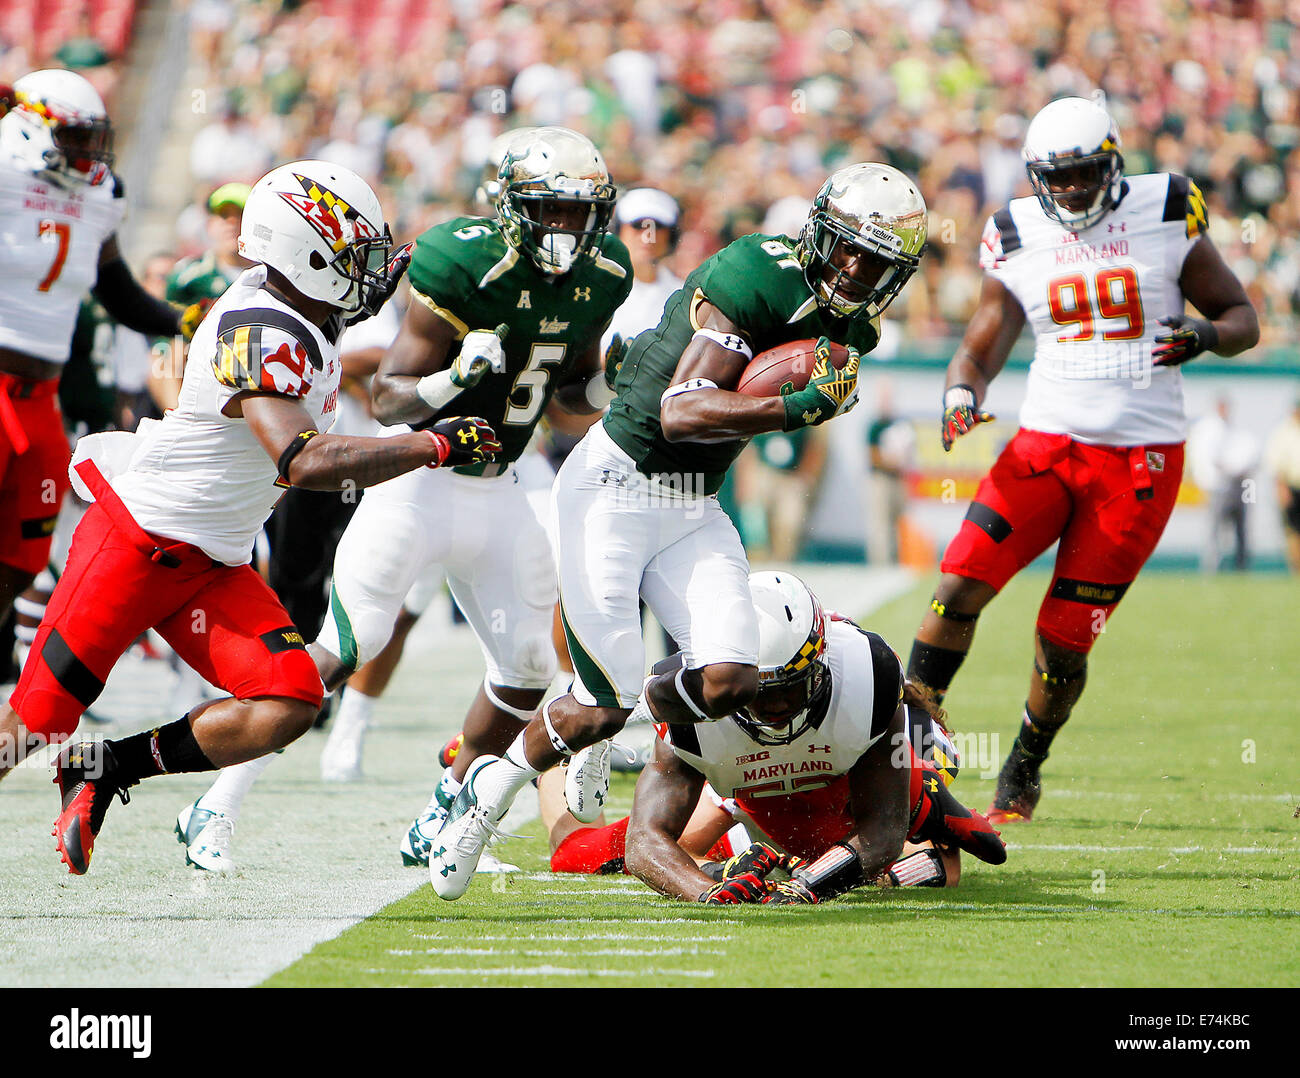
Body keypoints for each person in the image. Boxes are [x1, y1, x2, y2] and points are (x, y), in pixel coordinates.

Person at [428, 161, 929, 900]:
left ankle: (604, 710)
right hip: (614, 486)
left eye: (877, 260)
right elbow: (682, 412)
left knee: (732, 677)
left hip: (696, 503)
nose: (856, 269)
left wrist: (797, 401)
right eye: (849, 247)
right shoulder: (755, 273)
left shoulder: (856, 327)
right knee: (602, 704)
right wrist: (792, 408)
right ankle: (485, 797)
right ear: (820, 231)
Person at [0, 159, 499, 874]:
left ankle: (106, 767)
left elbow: (345, 315)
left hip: (214, 566)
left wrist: (410, 264)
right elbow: (304, 460)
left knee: (289, 700)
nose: (369, 273)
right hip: (135, 546)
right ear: (309, 255)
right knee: (33, 725)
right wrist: (429, 444)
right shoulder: (257, 326)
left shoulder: (303, 302)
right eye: (355, 257)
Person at [179, 127, 633, 873]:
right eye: (551, 211)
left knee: (524, 667)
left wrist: (613, 379)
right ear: (513, 207)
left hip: (500, 487)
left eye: (581, 214)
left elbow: (570, 394)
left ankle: (444, 810)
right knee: (338, 650)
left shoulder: (603, 273)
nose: (569, 231)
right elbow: (389, 398)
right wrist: (456, 380)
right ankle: (215, 802)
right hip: (416, 483)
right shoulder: (461, 259)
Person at [904, 96, 1259, 825]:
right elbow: (981, 342)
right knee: (958, 582)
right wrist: (960, 395)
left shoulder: (1165, 206)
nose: (1068, 191)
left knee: (1062, 643)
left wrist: (1201, 336)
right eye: (1054, 177)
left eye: (1083, 173)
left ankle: (1025, 764)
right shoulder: (1015, 229)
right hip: (1043, 445)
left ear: (1114, 162)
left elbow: (1242, 320)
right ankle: (906, 737)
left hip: (1138, 462)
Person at [623, 572, 1004, 903]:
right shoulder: (695, 711)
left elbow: (885, 834)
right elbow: (644, 843)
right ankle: (776, 855)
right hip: (755, 792)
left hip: (861, 766)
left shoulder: (865, 680)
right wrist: (708, 886)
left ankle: (928, 801)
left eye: (790, 686)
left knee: (925, 787)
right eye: (760, 690)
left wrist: (809, 884)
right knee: (593, 852)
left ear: (821, 664)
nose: (777, 706)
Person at [0, 70, 201, 628]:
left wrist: (183, 320)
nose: (89, 151)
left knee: (24, 556)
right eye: (75, 136)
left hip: (42, 396)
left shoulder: (100, 194)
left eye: (93, 137)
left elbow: (115, 288)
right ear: (27, 128)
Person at [1189, 397, 1259, 572]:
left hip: (1238, 484)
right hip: (1218, 486)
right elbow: (1211, 458)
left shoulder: (1232, 430)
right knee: (1215, 528)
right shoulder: (1211, 429)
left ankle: (1241, 566)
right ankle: (1212, 566)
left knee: (1241, 528)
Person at [1265, 394, 1300, 573]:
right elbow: (1276, 466)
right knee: (1294, 531)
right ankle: (1296, 569)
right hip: (1293, 487)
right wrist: (1282, 490)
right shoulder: (1284, 432)